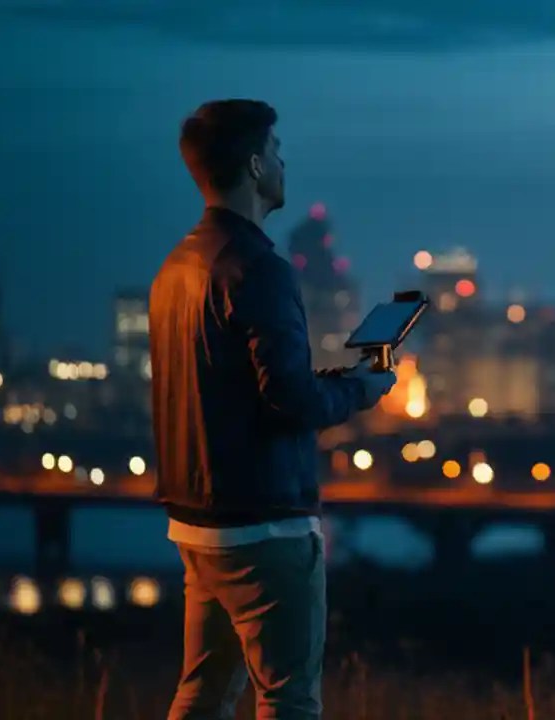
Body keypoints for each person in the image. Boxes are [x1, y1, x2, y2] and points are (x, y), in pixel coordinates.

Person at [150, 99, 397, 720]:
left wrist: (327, 381)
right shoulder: (258, 268)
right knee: (289, 698)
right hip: (265, 524)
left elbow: (238, 384)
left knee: (202, 692)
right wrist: (361, 390)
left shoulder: (174, 268)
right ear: (256, 166)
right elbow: (290, 399)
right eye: (278, 151)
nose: (285, 161)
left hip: (196, 521)